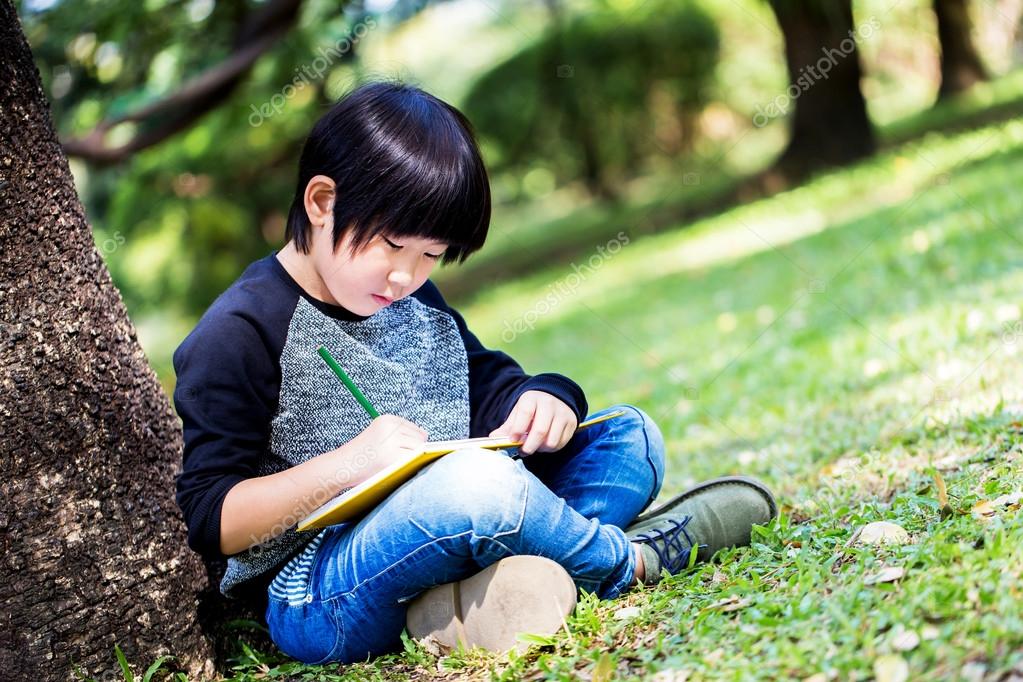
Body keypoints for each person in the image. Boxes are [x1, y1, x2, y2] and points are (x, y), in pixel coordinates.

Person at [172, 81, 777, 665]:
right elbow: (211, 518)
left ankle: (463, 604)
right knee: (475, 487)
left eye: (431, 255)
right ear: (322, 202)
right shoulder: (239, 332)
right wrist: (354, 464)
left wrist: (548, 398)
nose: (406, 278)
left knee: (630, 439)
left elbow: (490, 387)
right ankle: (632, 563)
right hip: (317, 588)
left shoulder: (413, 300)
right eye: (392, 245)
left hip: (456, 520)